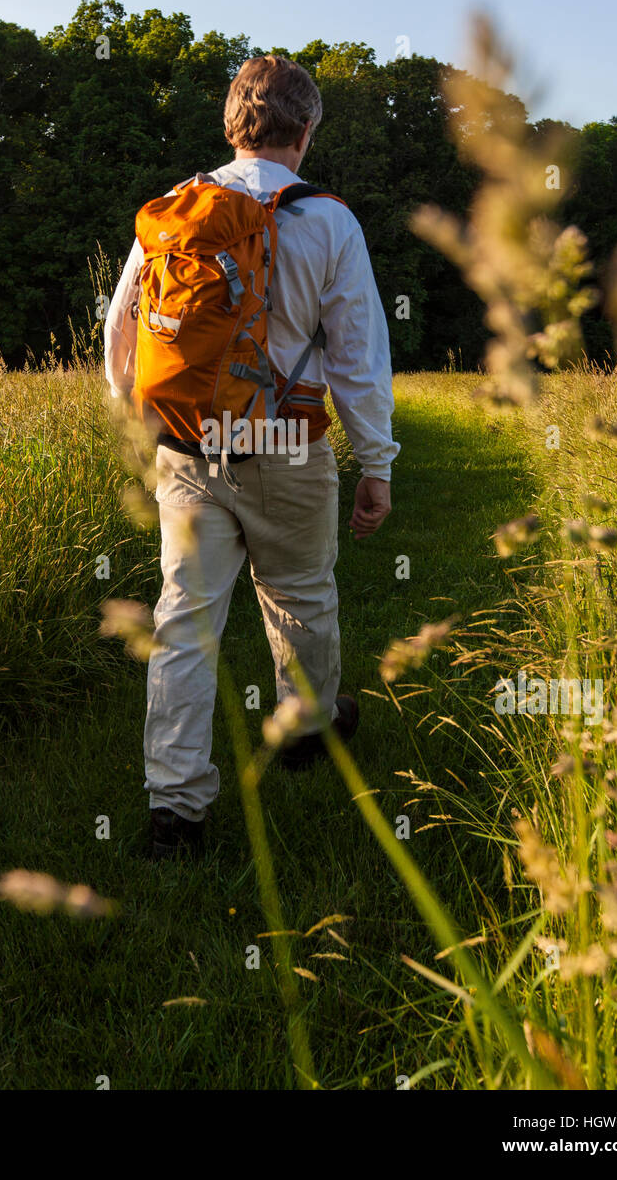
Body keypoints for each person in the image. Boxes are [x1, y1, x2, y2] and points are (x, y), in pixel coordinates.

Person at [104, 55, 398, 858]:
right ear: (305, 132)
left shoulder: (175, 210)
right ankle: (305, 729)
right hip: (286, 446)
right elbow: (357, 359)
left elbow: (120, 339)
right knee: (301, 594)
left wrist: (149, 428)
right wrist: (377, 463)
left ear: (232, 126)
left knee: (184, 624)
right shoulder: (329, 221)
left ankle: (175, 813)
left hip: (187, 446)